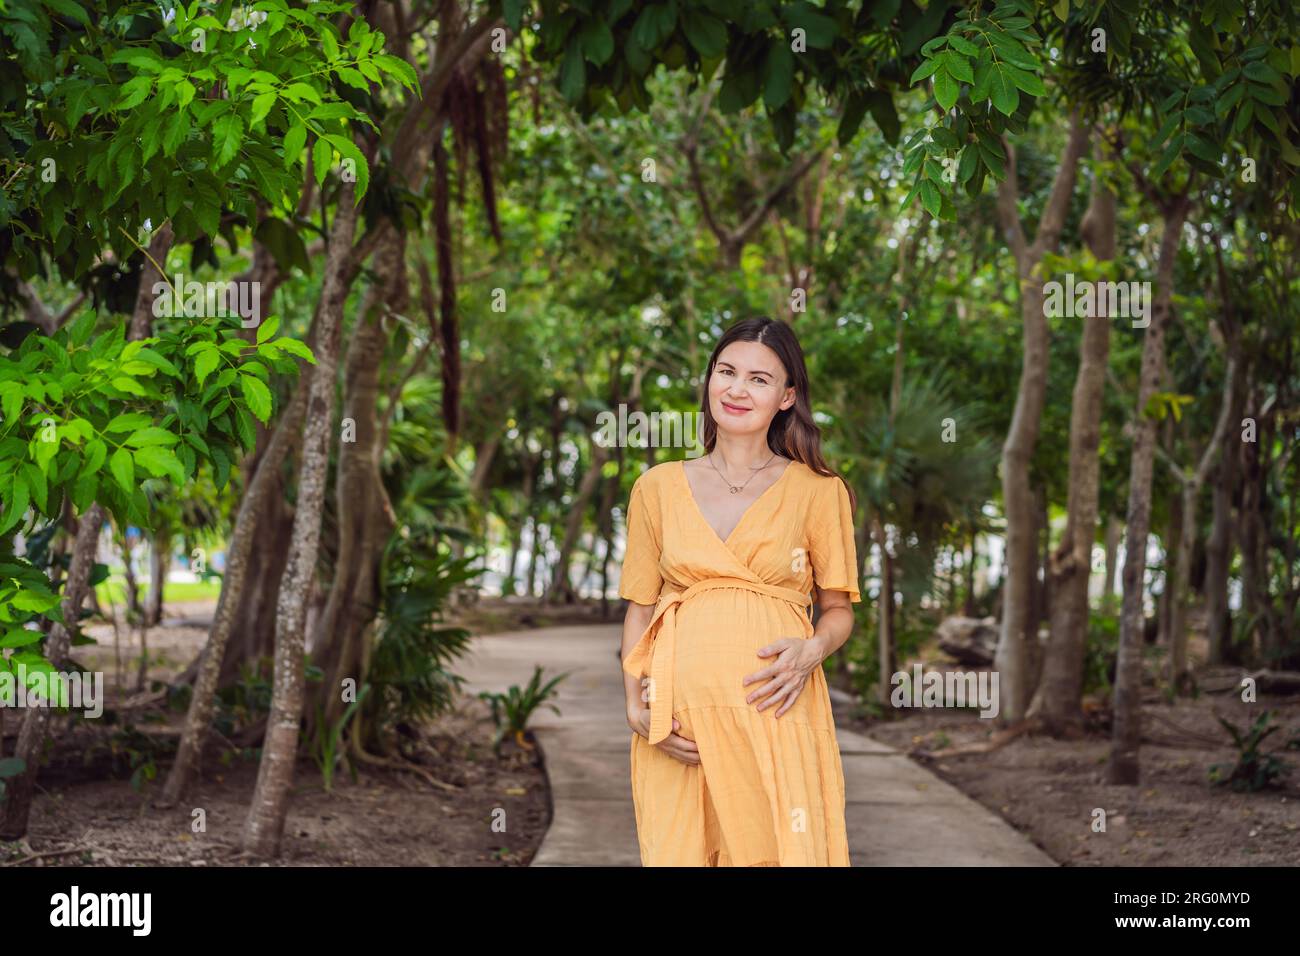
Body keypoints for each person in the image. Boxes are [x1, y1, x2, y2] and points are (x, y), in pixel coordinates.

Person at [618, 316, 862, 866]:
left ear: (786, 396)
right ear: (708, 381)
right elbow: (639, 609)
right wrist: (635, 704)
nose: (736, 388)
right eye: (726, 371)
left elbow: (838, 611)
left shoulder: (819, 492)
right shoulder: (656, 487)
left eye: (759, 378)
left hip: (773, 708)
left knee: (777, 848)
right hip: (678, 723)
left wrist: (810, 653)